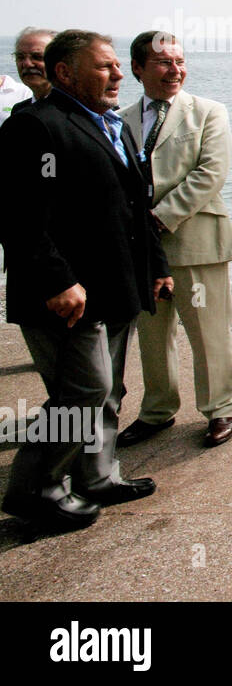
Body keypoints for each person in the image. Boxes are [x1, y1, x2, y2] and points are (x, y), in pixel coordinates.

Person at [0, 30, 172, 530]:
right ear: (64, 73)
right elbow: (18, 217)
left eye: (118, 66)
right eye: (105, 67)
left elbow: (136, 205)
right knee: (82, 393)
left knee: (108, 389)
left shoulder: (110, 124)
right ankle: (36, 489)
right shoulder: (34, 128)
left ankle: (98, 476)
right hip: (64, 297)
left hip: (115, 286)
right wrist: (56, 281)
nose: (119, 74)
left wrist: (156, 266)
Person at [117, 31, 232, 448]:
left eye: (180, 61)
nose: (176, 70)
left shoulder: (208, 112)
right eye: (164, 62)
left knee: (209, 333)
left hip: (197, 240)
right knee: (152, 336)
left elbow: (211, 173)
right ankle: (157, 410)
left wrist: (159, 217)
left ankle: (220, 408)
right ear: (138, 68)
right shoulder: (121, 118)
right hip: (142, 249)